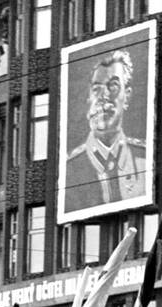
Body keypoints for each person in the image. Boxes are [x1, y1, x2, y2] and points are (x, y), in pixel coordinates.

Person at [62, 48, 148, 216]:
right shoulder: (69, 170)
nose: (104, 97)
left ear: (127, 96)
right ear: (88, 98)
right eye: (97, 89)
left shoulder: (144, 158)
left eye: (113, 86)